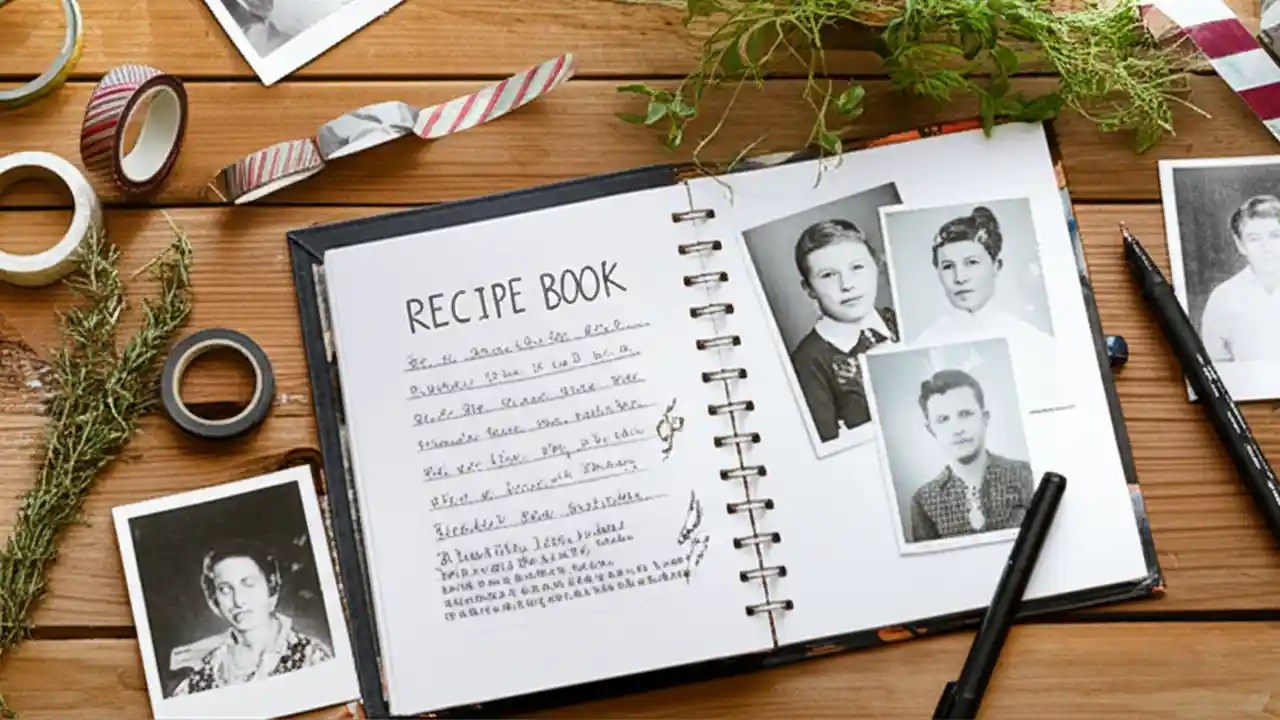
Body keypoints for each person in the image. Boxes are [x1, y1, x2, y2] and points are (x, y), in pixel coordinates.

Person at [168, 539, 333, 696]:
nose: (238, 600)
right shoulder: (202, 673)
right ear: (214, 598)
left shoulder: (311, 657)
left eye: (248, 584)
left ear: (271, 585)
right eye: (225, 589)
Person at [788, 218, 899, 443]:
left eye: (857, 267)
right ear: (809, 288)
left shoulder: (899, 321)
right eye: (828, 275)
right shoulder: (808, 360)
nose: (847, 284)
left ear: (877, 266)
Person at [909, 369, 1035, 542]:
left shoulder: (1026, 475)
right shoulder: (924, 501)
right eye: (943, 419)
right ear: (931, 430)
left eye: (965, 414)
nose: (957, 429)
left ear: (985, 418)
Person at [912, 206, 1054, 352]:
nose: (959, 278)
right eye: (948, 266)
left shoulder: (1033, 341)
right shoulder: (926, 343)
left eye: (972, 262)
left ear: (996, 266)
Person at [1199, 194, 1280, 363]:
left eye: (1275, 235)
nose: (1266, 247)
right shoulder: (1224, 297)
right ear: (1240, 245)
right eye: (1254, 239)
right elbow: (1216, 362)